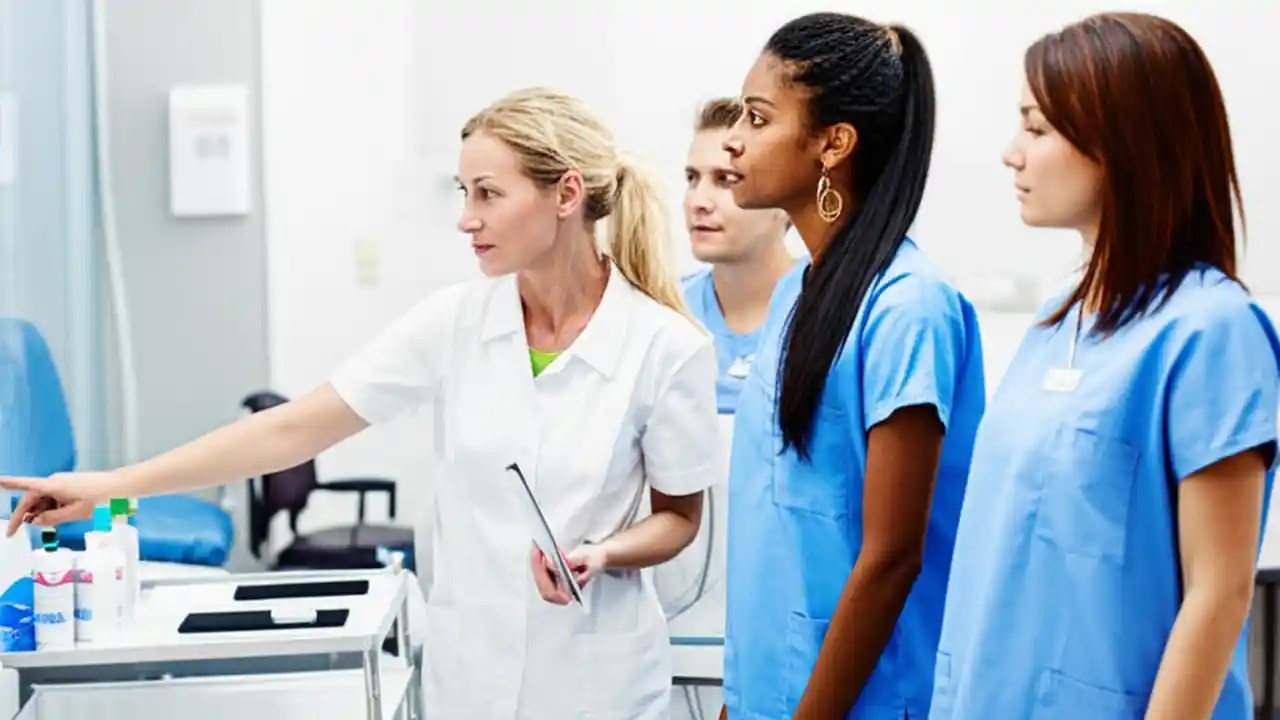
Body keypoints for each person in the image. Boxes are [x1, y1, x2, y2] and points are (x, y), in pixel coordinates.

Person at [2, 87, 719, 718]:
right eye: (461, 191)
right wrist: (108, 487)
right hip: (468, 680)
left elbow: (679, 519)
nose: (466, 218)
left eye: (488, 194)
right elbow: (291, 430)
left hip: (600, 688)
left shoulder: (664, 348)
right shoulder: (456, 322)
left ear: (566, 195)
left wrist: (602, 551)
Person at [930, 13, 1280, 720]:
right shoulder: (1061, 315)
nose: (1011, 152)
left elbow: (1220, 592)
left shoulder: (1210, 332)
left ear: (1122, 143)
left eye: (1035, 127)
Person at [720, 12, 985, 719]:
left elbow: (893, 556)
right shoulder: (794, 294)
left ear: (833, 142)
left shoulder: (909, 307)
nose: (732, 139)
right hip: (768, 693)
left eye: (756, 116)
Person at [681, 97, 795, 414]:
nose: (698, 201)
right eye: (692, 178)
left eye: (726, 179)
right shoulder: (667, 312)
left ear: (785, 199)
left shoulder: (832, 314)